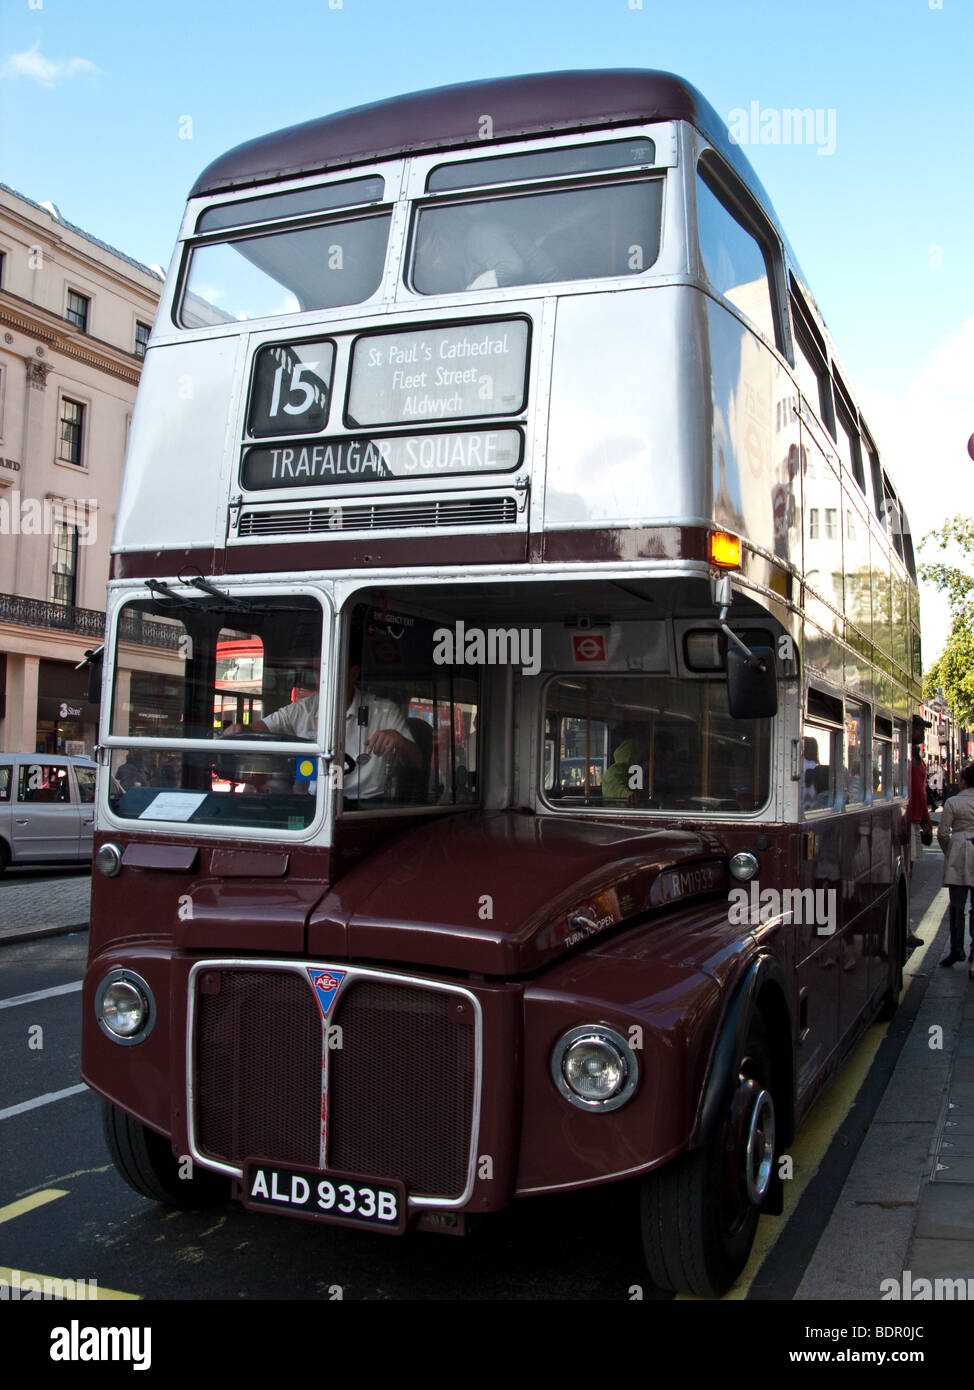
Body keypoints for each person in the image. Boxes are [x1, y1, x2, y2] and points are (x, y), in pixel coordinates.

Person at [221, 658, 420, 803]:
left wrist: (398, 740)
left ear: (353, 674)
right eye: (318, 669)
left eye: (330, 666)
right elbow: (260, 729)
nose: (322, 676)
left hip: (368, 805)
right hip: (316, 804)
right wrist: (240, 729)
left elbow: (417, 760)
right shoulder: (303, 709)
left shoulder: (383, 711)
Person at [937, 764, 974, 969]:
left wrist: (949, 850)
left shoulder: (953, 802)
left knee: (957, 905)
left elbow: (942, 833)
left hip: (959, 850)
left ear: (964, 781)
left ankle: (956, 949)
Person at [906, 744, 931, 947]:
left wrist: (926, 820)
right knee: (907, 873)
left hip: (914, 818)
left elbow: (922, 793)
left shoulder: (917, 759)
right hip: (910, 819)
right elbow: (919, 792)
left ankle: (906, 924)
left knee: (909, 873)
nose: (922, 734)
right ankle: (905, 926)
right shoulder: (912, 760)